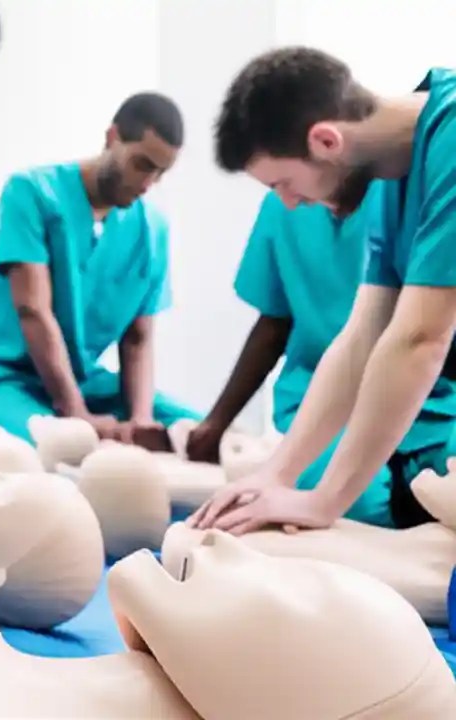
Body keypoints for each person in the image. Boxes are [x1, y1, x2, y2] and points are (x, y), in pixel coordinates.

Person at [190, 47, 456, 535]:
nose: (289, 204)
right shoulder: (396, 170)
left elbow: (420, 340)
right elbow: (363, 336)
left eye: (284, 183)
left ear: (327, 141)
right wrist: (276, 475)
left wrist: (324, 503)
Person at [185, 187, 456, 527]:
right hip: (321, 405)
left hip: (429, 401)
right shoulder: (283, 207)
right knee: (354, 502)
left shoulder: (402, 192)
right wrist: (217, 423)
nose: (287, 195)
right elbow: (273, 324)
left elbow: (425, 333)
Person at [0, 93, 199, 448]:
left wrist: (140, 420)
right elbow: (33, 311)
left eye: (161, 172)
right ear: (112, 137)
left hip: (88, 383)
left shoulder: (152, 229)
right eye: (142, 164)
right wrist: (77, 414)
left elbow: (137, 338)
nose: (148, 183)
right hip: (4, 381)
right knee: (62, 448)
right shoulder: (31, 194)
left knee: (199, 435)